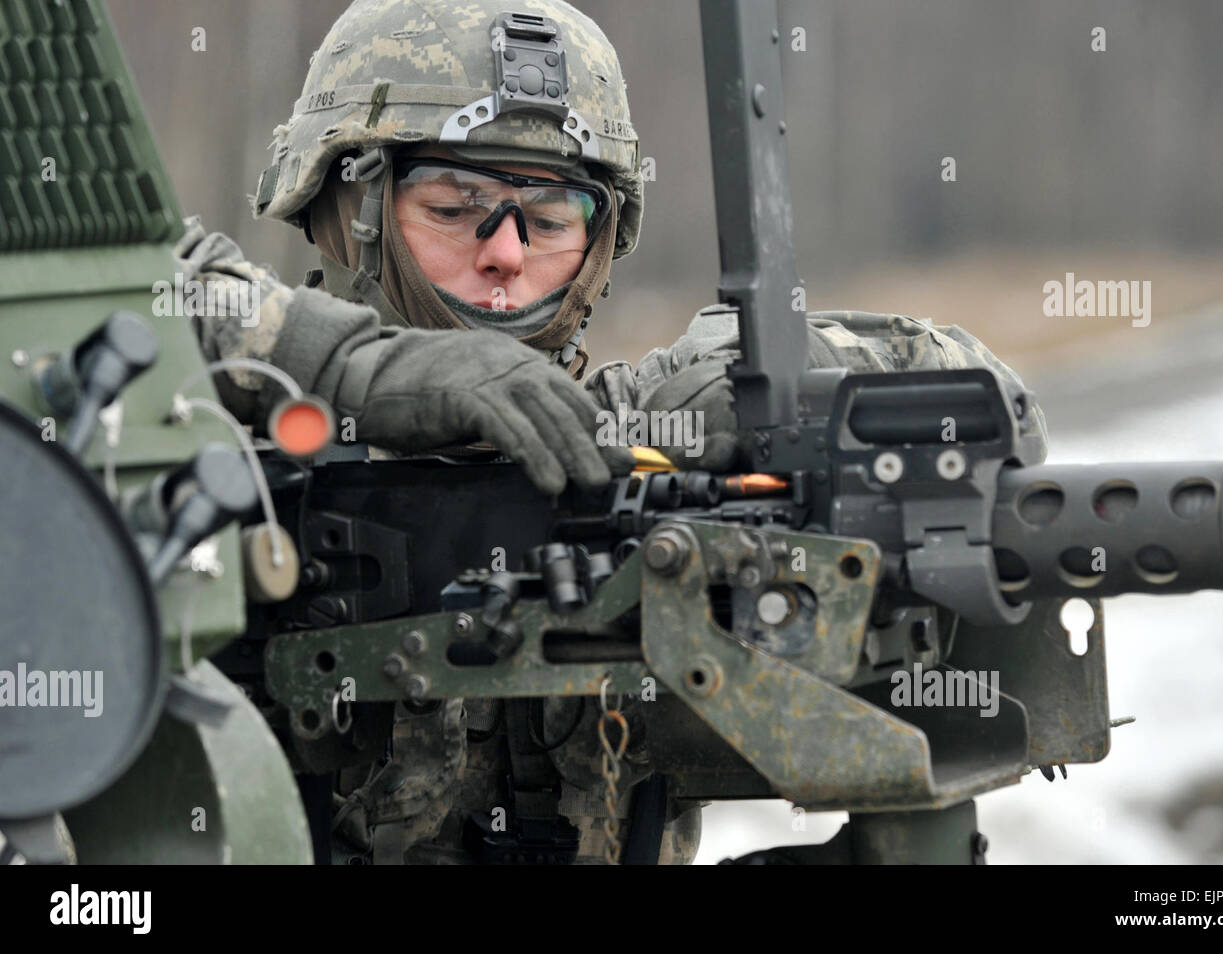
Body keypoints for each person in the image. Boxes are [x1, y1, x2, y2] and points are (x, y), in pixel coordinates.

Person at [180, 0, 1048, 864]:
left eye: (552, 219)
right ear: (346, 208)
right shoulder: (199, 435)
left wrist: (770, 389)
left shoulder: (633, 440)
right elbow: (97, 287)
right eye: (455, 207)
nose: (507, 255)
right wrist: (347, 370)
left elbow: (995, 407)